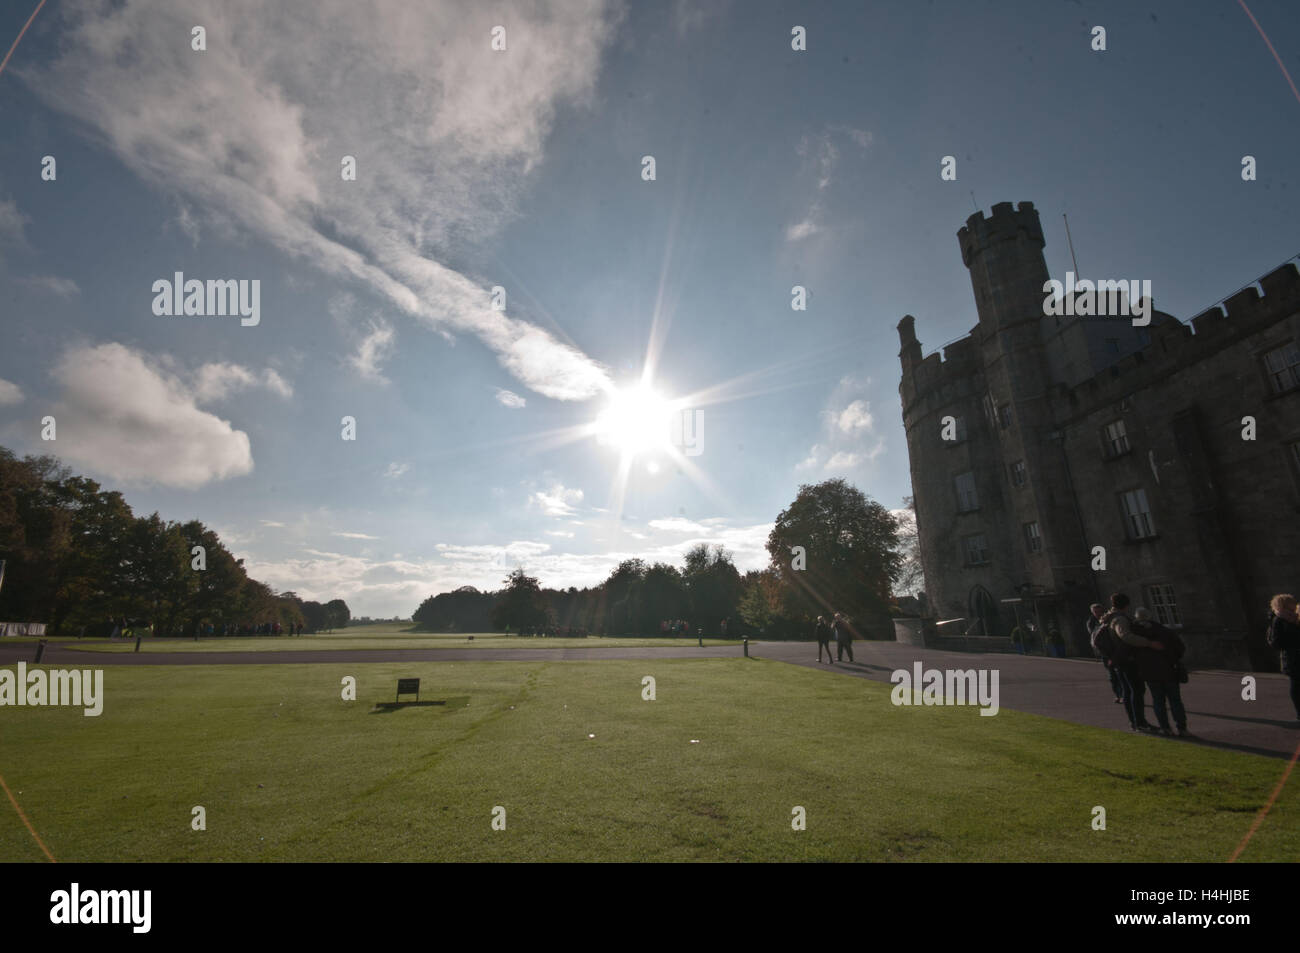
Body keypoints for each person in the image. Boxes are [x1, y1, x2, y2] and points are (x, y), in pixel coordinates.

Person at [1102, 592, 1163, 732]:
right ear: (1127, 604)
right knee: (1136, 690)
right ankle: (1139, 722)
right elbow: (1126, 636)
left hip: (1119, 658)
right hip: (1126, 659)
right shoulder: (1120, 619)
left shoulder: (1110, 617)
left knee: (1128, 691)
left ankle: (1135, 722)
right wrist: (1148, 643)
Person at [1133, 607, 1188, 737]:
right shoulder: (1164, 631)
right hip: (1168, 669)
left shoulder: (1135, 635)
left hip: (1149, 672)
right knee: (1175, 701)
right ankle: (1182, 728)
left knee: (1158, 701)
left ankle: (1165, 728)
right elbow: (1180, 648)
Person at [1267, 594, 1300, 722]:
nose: (1294, 604)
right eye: (1291, 602)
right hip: (1292, 657)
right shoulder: (1278, 620)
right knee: (1296, 685)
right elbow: (1276, 642)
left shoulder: (1294, 617)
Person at [1087, 603, 1123, 703]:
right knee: (1112, 675)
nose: (1098, 613)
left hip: (1115, 650)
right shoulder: (1091, 622)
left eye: (1100, 611)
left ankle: (1124, 694)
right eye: (1096, 612)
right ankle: (1118, 694)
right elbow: (1095, 637)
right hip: (1105, 653)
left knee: (1120, 674)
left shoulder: (1109, 619)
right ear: (1092, 613)